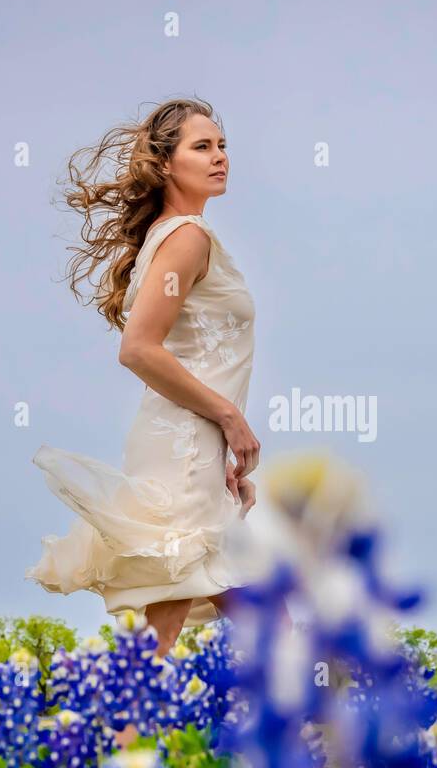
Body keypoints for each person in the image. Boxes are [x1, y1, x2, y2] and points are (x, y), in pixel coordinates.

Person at [26, 98, 261, 709]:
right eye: (201, 147)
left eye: (221, 144)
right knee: (165, 635)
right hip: (185, 447)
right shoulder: (186, 239)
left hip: (193, 446)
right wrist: (230, 419)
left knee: (262, 622)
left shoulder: (175, 237)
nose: (219, 157)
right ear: (164, 164)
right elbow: (138, 349)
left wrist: (225, 448)